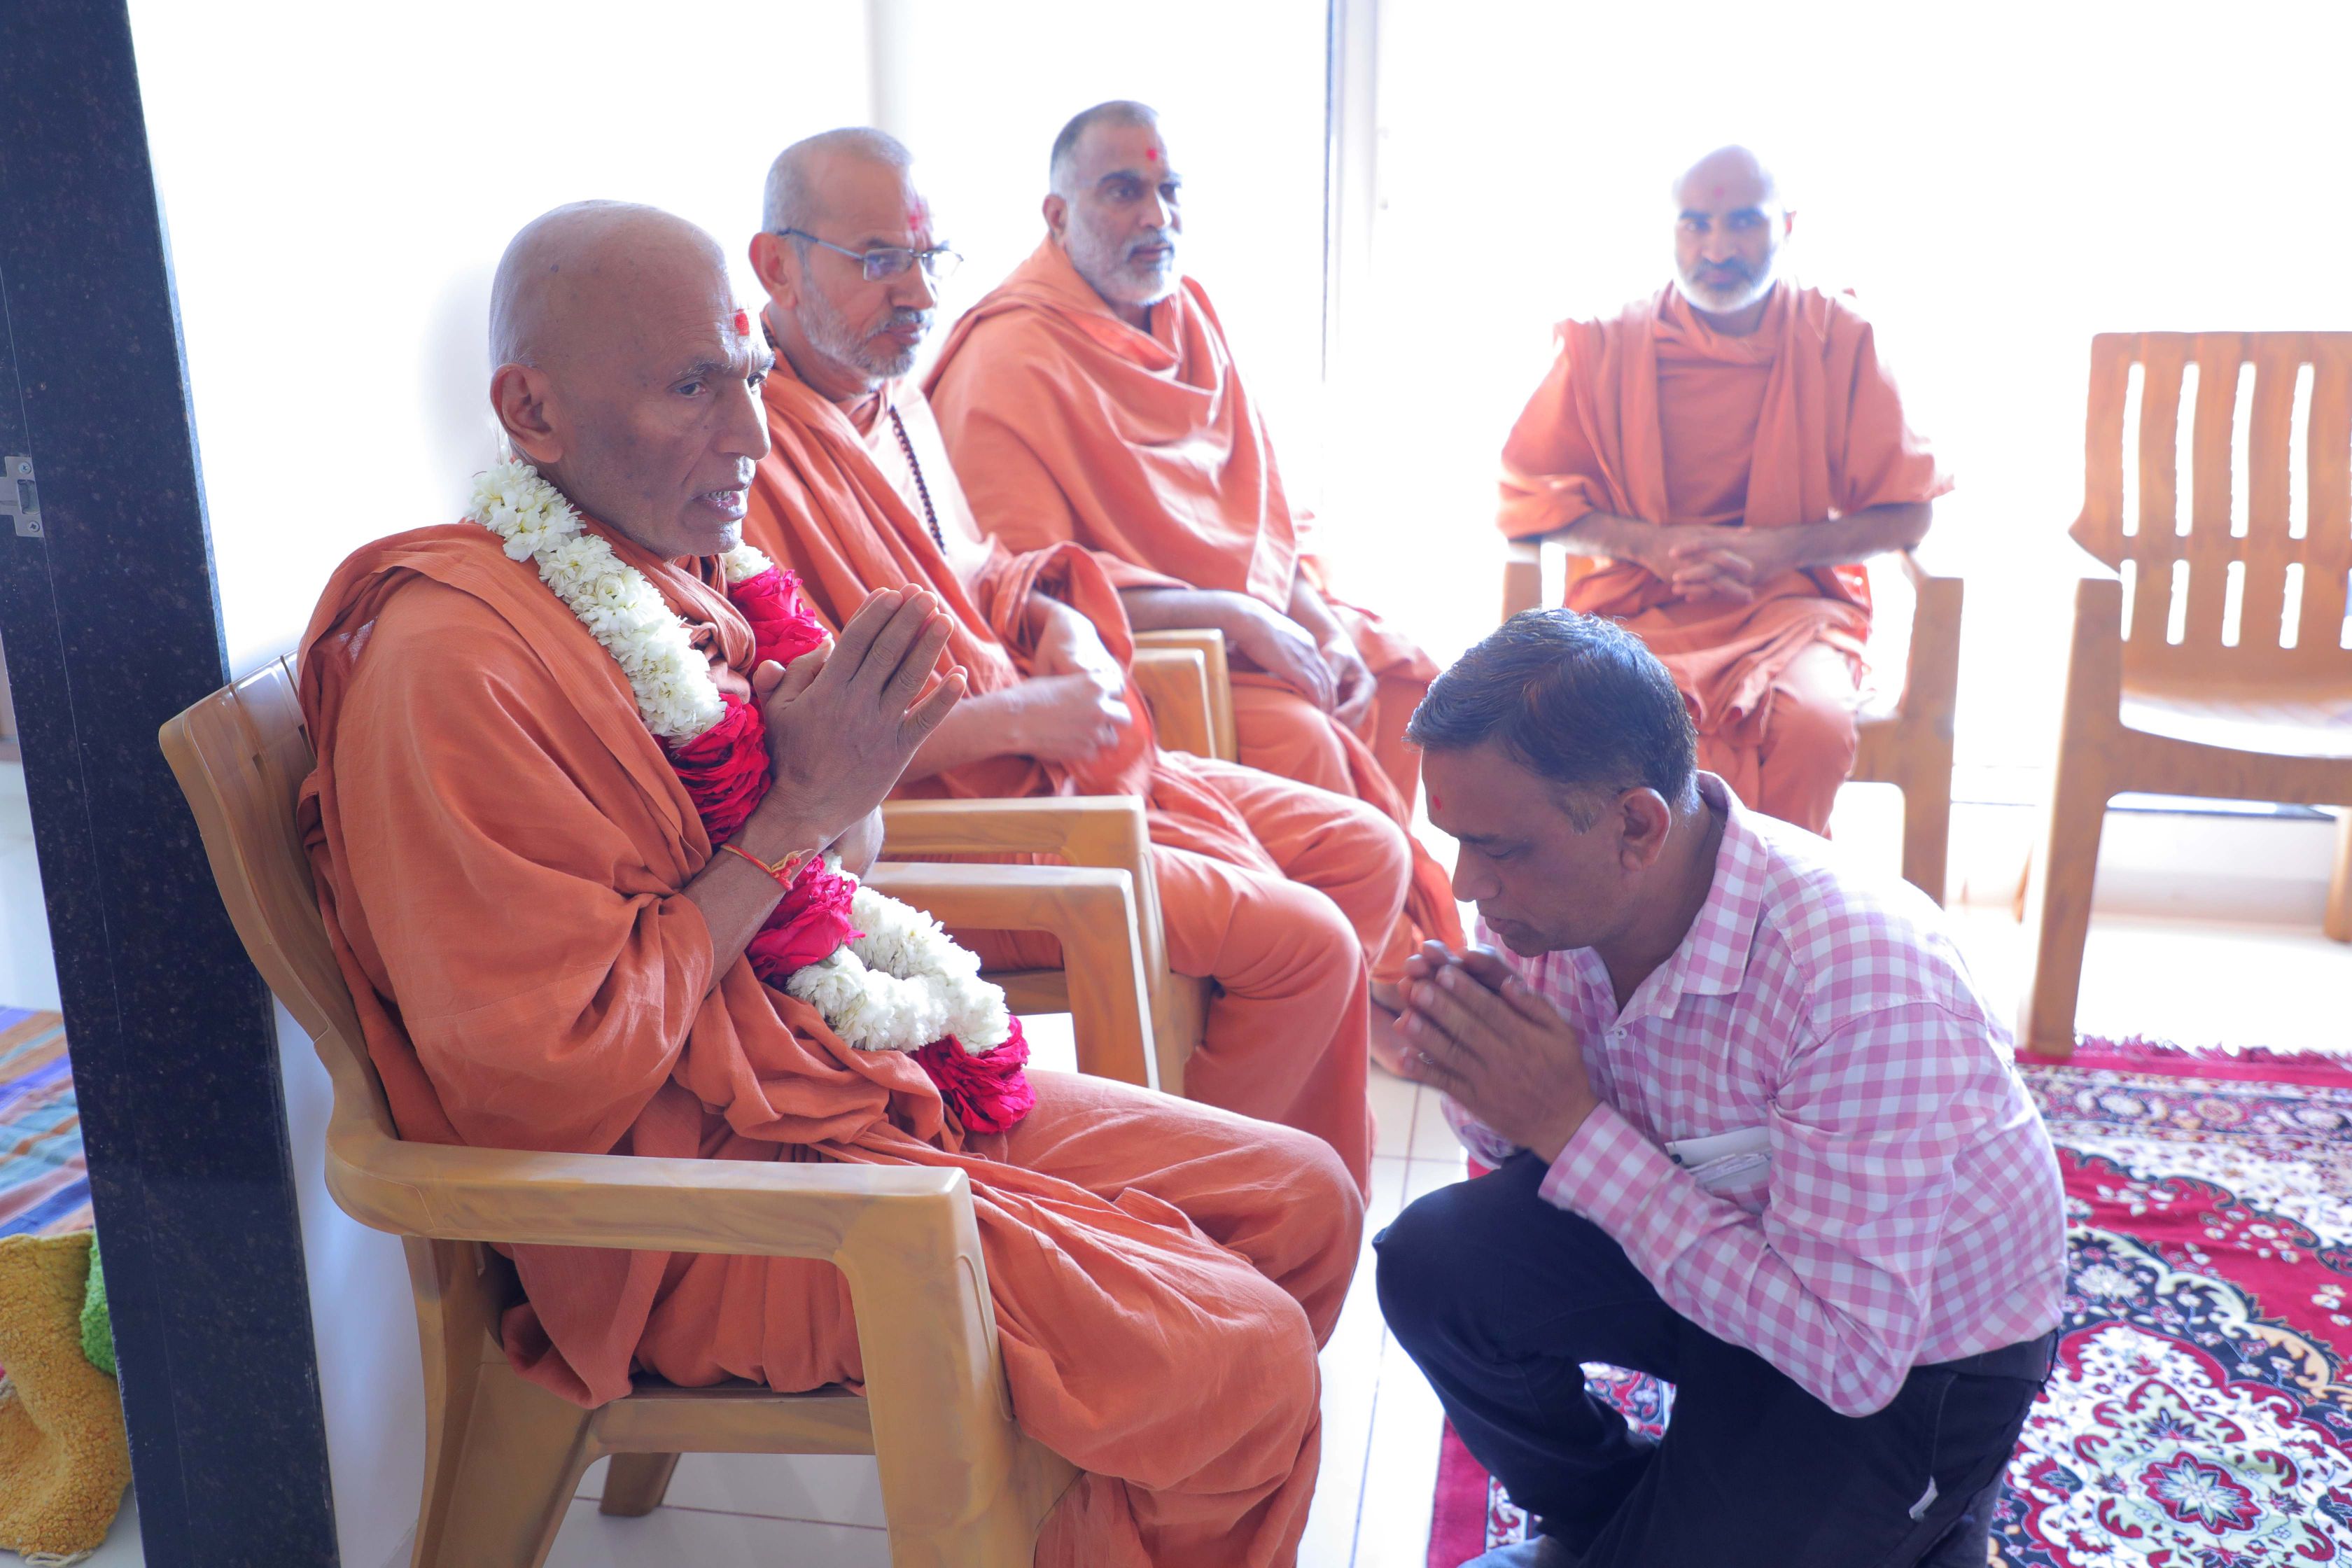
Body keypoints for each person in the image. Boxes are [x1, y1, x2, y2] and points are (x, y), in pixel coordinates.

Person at [296, 200, 1363, 1567]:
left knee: (1304, 1205)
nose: (753, 431)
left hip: (833, 1075)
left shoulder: (678, 583)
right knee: (1244, 1361)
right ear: (533, 413)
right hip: (685, 1208)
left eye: (747, 374)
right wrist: (795, 811)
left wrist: (834, 796)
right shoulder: (455, 669)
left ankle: (1109, 1513)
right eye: (695, 387)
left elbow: (825, 875)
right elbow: (546, 1083)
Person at [740, 129, 1413, 1186]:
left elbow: (981, 569)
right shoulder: (752, 452)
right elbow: (806, 744)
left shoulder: (890, 395)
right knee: (1309, 946)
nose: (919, 292)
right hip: (956, 825)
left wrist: (1062, 622)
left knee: (1368, 852)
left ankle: (1222, 1164)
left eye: (928, 257)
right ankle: (1208, 1215)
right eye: (879, 260)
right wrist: (1031, 717)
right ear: (776, 265)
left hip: (1047, 752)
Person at [1373, 609, 2065, 1567]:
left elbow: (1852, 1358)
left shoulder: (1861, 985)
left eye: (1498, 848)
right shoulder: (1551, 901)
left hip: (1913, 1356)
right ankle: (1616, 1514)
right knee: (1431, 1262)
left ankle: (1929, 1516)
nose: (1466, 884)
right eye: (1456, 841)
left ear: (1636, 825)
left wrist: (1569, 1127)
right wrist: (1470, 1058)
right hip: (1716, 1249)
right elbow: (1524, 1154)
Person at [923, 101, 1462, 1018]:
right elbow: (1032, 591)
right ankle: (1331, 987)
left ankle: (1363, 972)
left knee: (1402, 675)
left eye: (1168, 190)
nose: (1157, 217)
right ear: (1057, 214)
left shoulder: (1190, 315)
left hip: (1252, 622)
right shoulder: (1007, 355)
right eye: (1123, 191)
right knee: (1305, 738)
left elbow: (1261, 515)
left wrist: (1317, 623)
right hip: (1151, 657)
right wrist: (1239, 616)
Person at [1497, 145, 1949, 835]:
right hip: (1635, 607)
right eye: (1695, 225)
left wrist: (1776, 550)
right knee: (1623, 728)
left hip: (1790, 609)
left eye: (1742, 222)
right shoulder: (1606, 343)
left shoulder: (1838, 336)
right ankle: (1659, 905)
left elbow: (1908, 512)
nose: (1716, 249)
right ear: (1670, 231)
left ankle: (1776, 899)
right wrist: (1650, 545)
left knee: (1816, 729)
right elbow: (1527, 495)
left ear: (1786, 226)